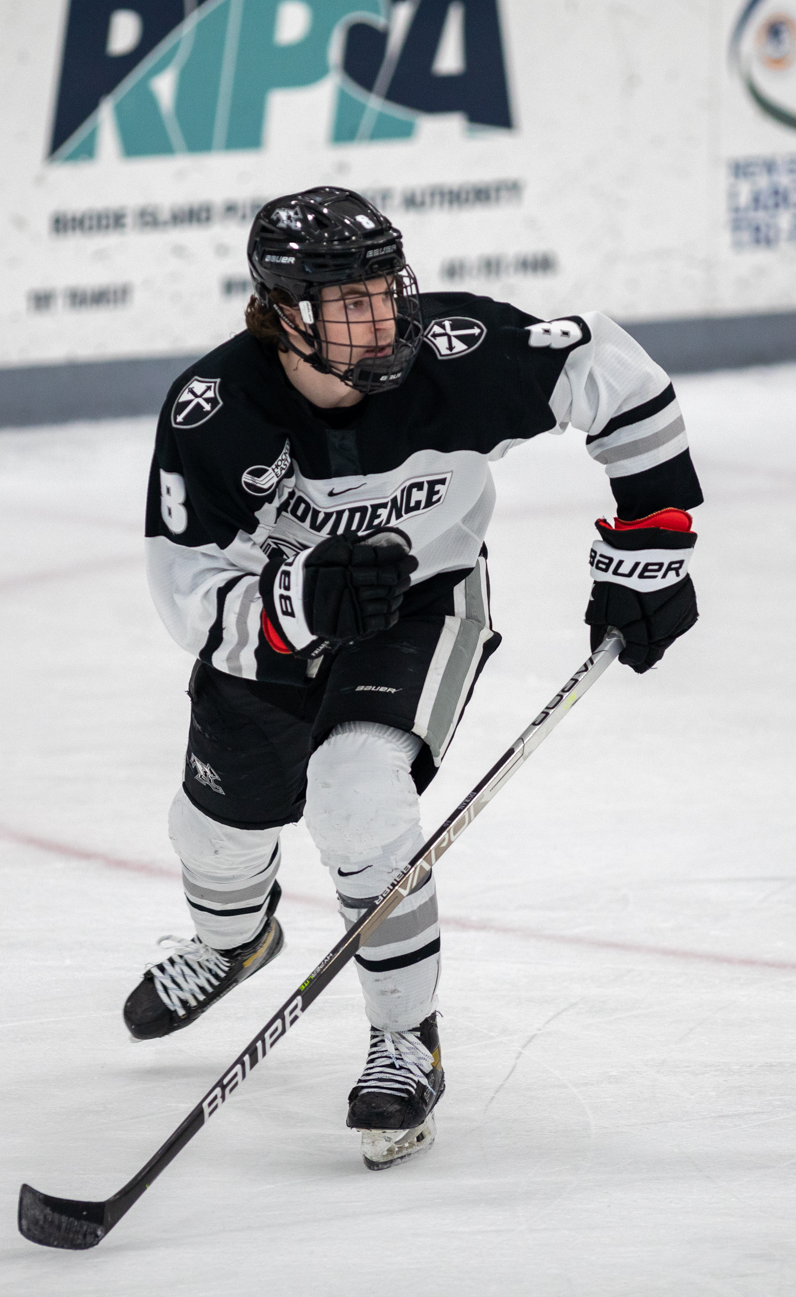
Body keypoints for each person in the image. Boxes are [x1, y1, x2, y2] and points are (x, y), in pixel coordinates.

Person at [131, 185, 702, 1169]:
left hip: (423, 608)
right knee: (213, 832)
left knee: (358, 796)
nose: (381, 318)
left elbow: (612, 369)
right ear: (280, 318)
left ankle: (404, 1037)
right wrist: (295, 603)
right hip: (271, 631)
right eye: (344, 303)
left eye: (383, 291)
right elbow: (185, 588)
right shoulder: (213, 412)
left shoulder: (461, 357)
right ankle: (231, 941)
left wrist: (652, 537)